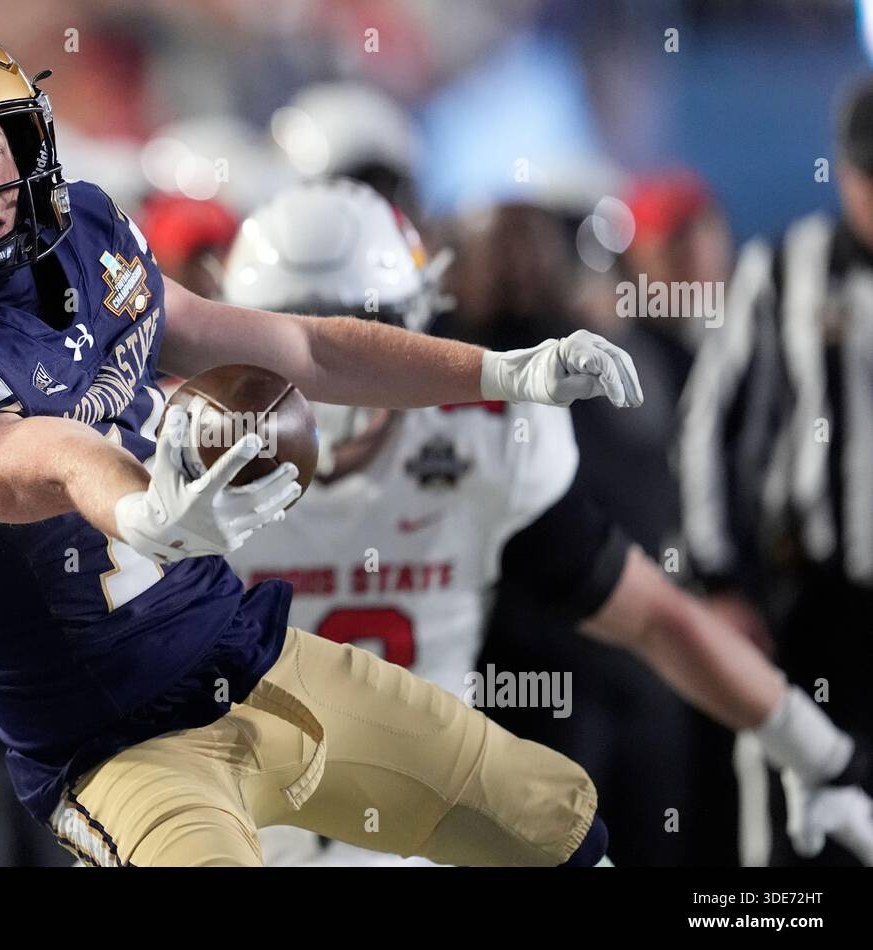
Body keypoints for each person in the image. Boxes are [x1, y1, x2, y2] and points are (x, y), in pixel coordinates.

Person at [0, 14, 644, 867]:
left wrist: (502, 372)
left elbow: (305, 348)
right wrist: (140, 506)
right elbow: (29, 459)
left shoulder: (86, 239)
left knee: (547, 818)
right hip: (121, 750)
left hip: (254, 655)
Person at [221, 177, 873, 866]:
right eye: (295, 334)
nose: (329, 370)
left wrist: (820, 751)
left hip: (420, 837)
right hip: (238, 833)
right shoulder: (175, 454)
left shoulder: (476, 445)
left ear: (416, 324)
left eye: (356, 331)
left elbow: (654, 617)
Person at [681, 76, 873, 866]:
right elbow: (707, 426)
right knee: (800, 813)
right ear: (847, 172)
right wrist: (719, 578)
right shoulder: (786, 268)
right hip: (817, 601)